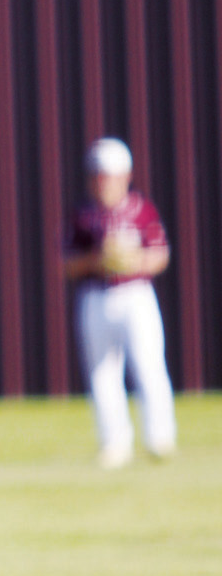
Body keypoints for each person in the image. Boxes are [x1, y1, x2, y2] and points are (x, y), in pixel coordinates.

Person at [62, 136, 177, 468]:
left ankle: (159, 438)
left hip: (135, 294)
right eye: (98, 176)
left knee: (148, 365)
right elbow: (67, 263)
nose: (103, 183)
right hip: (96, 296)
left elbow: (160, 254)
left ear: (125, 176)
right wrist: (100, 259)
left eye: (109, 176)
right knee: (102, 372)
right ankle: (114, 444)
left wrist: (132, 260)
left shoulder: (141, 210)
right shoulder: (84, 216)